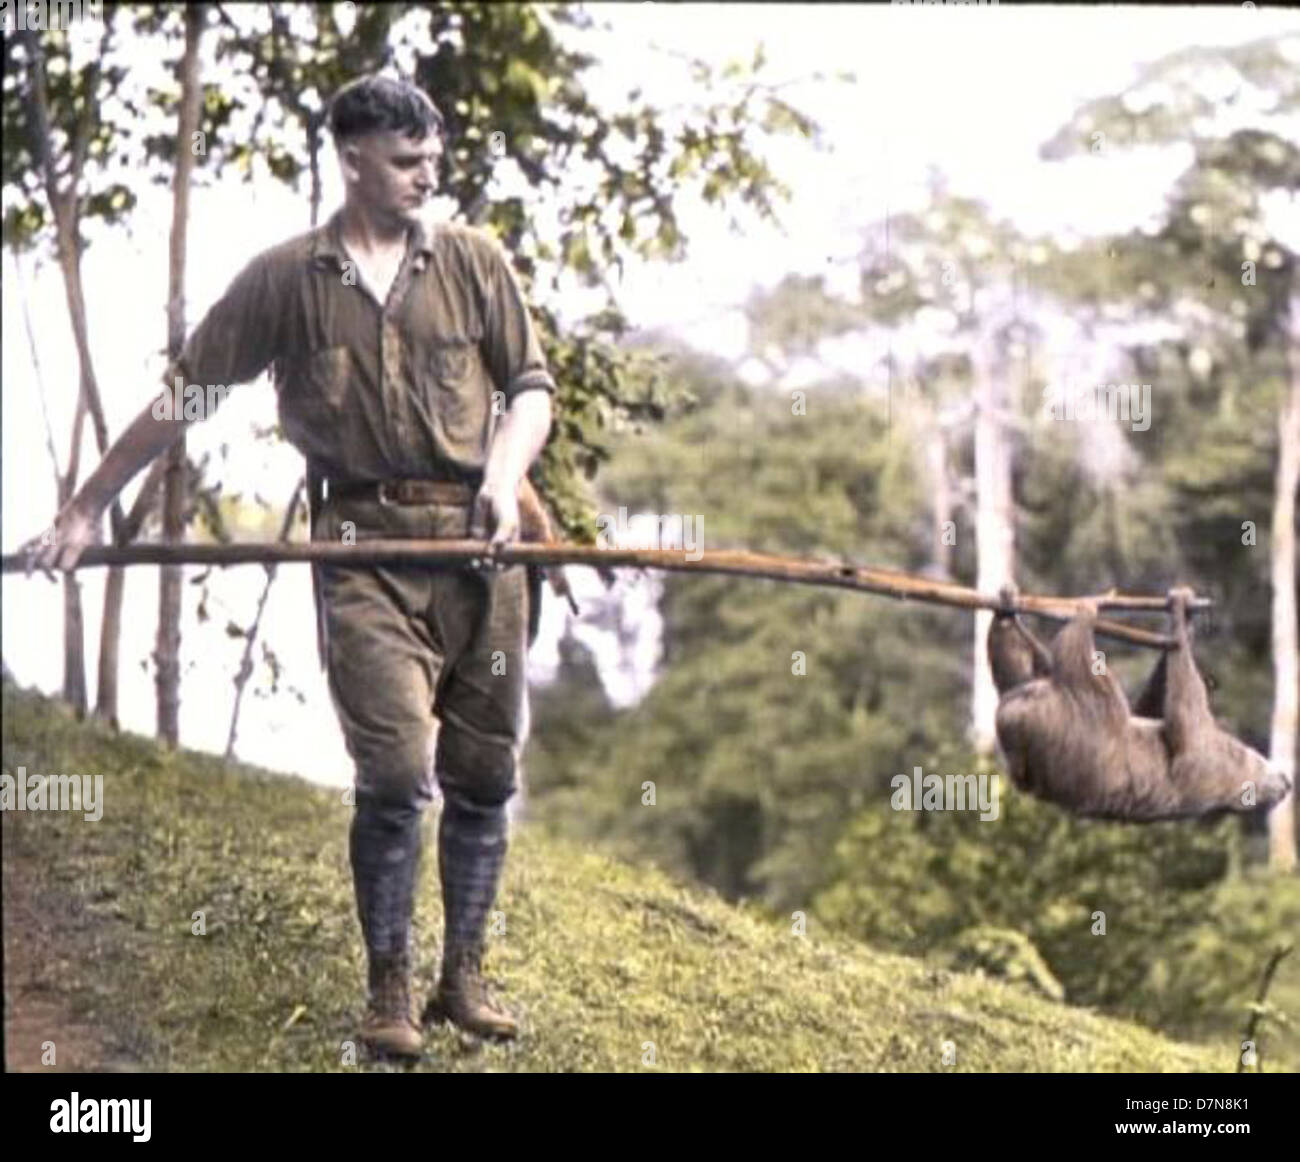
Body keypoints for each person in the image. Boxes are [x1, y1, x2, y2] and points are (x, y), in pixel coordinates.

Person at [24, 74, 556, 1060]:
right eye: (404, 162)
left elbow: (529, 388)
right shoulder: (285, 281)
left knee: (483, 771)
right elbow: (189, 399)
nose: (424, 177)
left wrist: (504, 473)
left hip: (482, 558)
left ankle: (463, 977)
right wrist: (89, 504)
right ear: (351, 159)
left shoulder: (475, 262)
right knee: (396, 773)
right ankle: (389, 989)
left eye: (432, 160)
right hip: (360, 556)